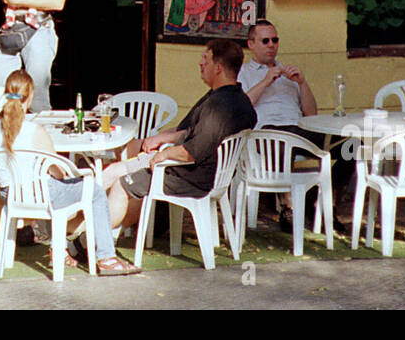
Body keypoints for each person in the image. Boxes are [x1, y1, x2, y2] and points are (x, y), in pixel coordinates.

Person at [0, 71, 140, 275]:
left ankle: (59, 246)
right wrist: (71, 176)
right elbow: (57, 173)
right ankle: (106, 257)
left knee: (41, 187)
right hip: (41, 194)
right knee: (93, 190)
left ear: (6, 93)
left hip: (9, 194)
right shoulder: (35, 131)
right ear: (30, 96)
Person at [109, 39, 257, 229]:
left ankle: (92, 240)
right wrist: (161, 141)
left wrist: (163, 154)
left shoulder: (218, 105)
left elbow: (193, 151)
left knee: (121, 184)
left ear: (218, 68)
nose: (200, 63)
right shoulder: (240, 100)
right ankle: (91, 226)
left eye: (206, 59)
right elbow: (194, 133)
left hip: (191, 178)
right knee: (125, 163)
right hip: (211, 176)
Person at [238, 19, 352, 229]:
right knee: (282, 140)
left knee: (351, 146)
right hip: (267, 133)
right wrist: (266, 81)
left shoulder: (287, 71)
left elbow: (311, 113)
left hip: (299, 128)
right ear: (251, 44)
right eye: (265, 41)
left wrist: (302, 83)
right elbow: (242, 107)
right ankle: (287, 208)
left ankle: (323, 202)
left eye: (275, 40)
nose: (271, 44)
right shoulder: (244, 72)